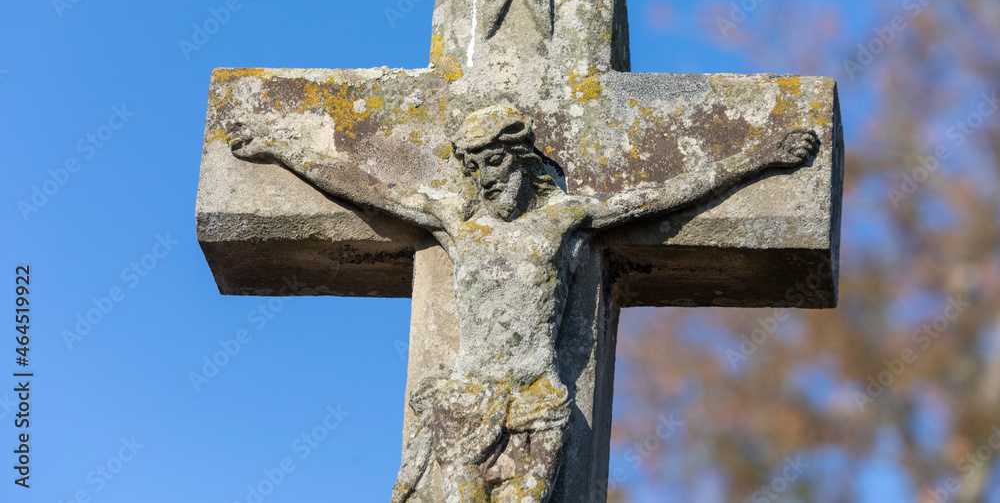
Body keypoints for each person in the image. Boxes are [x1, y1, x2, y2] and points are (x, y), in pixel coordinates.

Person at [227, 104, 819, 502]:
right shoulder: (455, 221)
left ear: (522, 158)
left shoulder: (562, 220)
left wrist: (757, 157)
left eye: (495, 161)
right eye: (473, 166)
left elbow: (661, 197)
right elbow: (365, 187)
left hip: (537, 398)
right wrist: (281, 149)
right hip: (466, 400)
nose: (486, 178)